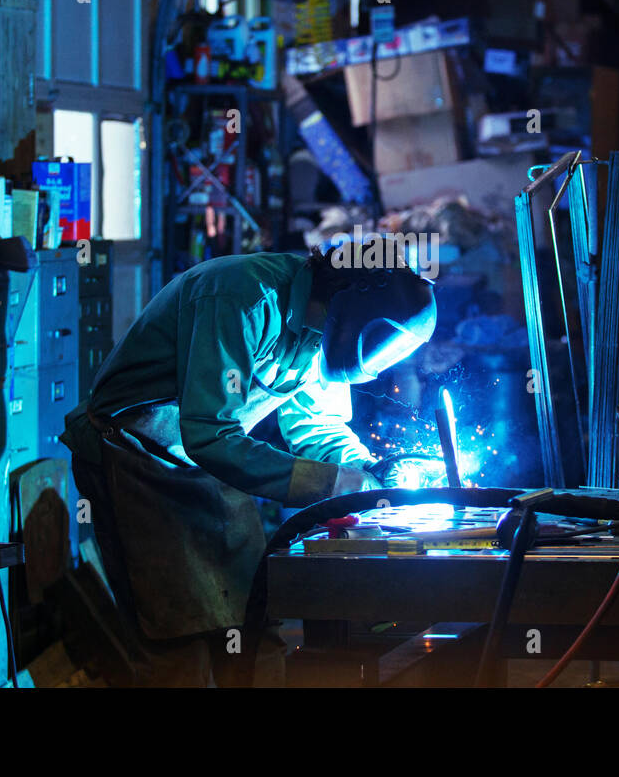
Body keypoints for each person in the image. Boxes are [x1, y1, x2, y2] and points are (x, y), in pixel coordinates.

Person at [61, 245, 436, 686]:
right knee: (178, 643)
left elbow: (316, 424)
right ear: (351, 301)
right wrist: (332, 483)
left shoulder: (324, 322)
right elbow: (208, 432)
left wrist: (367, 474)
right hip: (136, 459)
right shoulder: (242, 297)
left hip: (217, 464)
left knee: (254, 624)